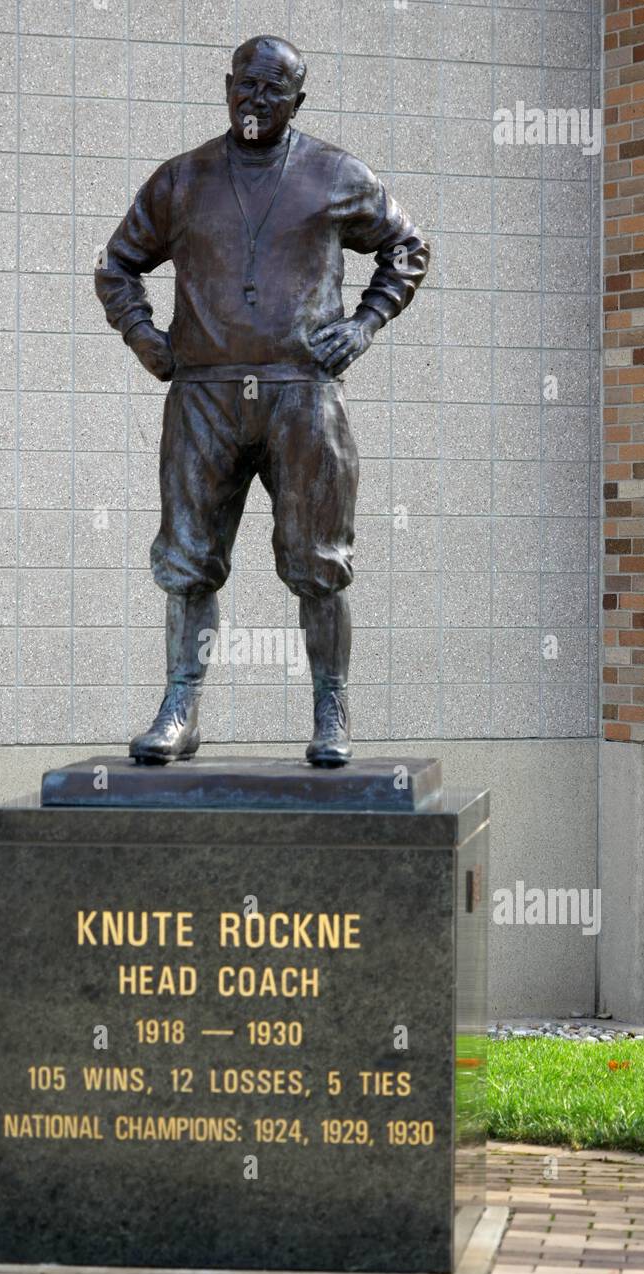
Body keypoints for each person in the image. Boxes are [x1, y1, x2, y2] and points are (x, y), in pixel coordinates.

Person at [95, 34, 429, 765]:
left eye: (274, 90)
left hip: (301, 393)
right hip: (205, 394)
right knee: (186, 559)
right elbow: (117, 265)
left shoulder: (335, 173)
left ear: (297, 101)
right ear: (227, 86)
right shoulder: (182, 180)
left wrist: (364, 324)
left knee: (319, 560)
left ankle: (331, 710)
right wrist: (143, 336)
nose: (256, 99)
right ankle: (180, 705)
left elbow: (407, 247)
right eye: (247, 84)